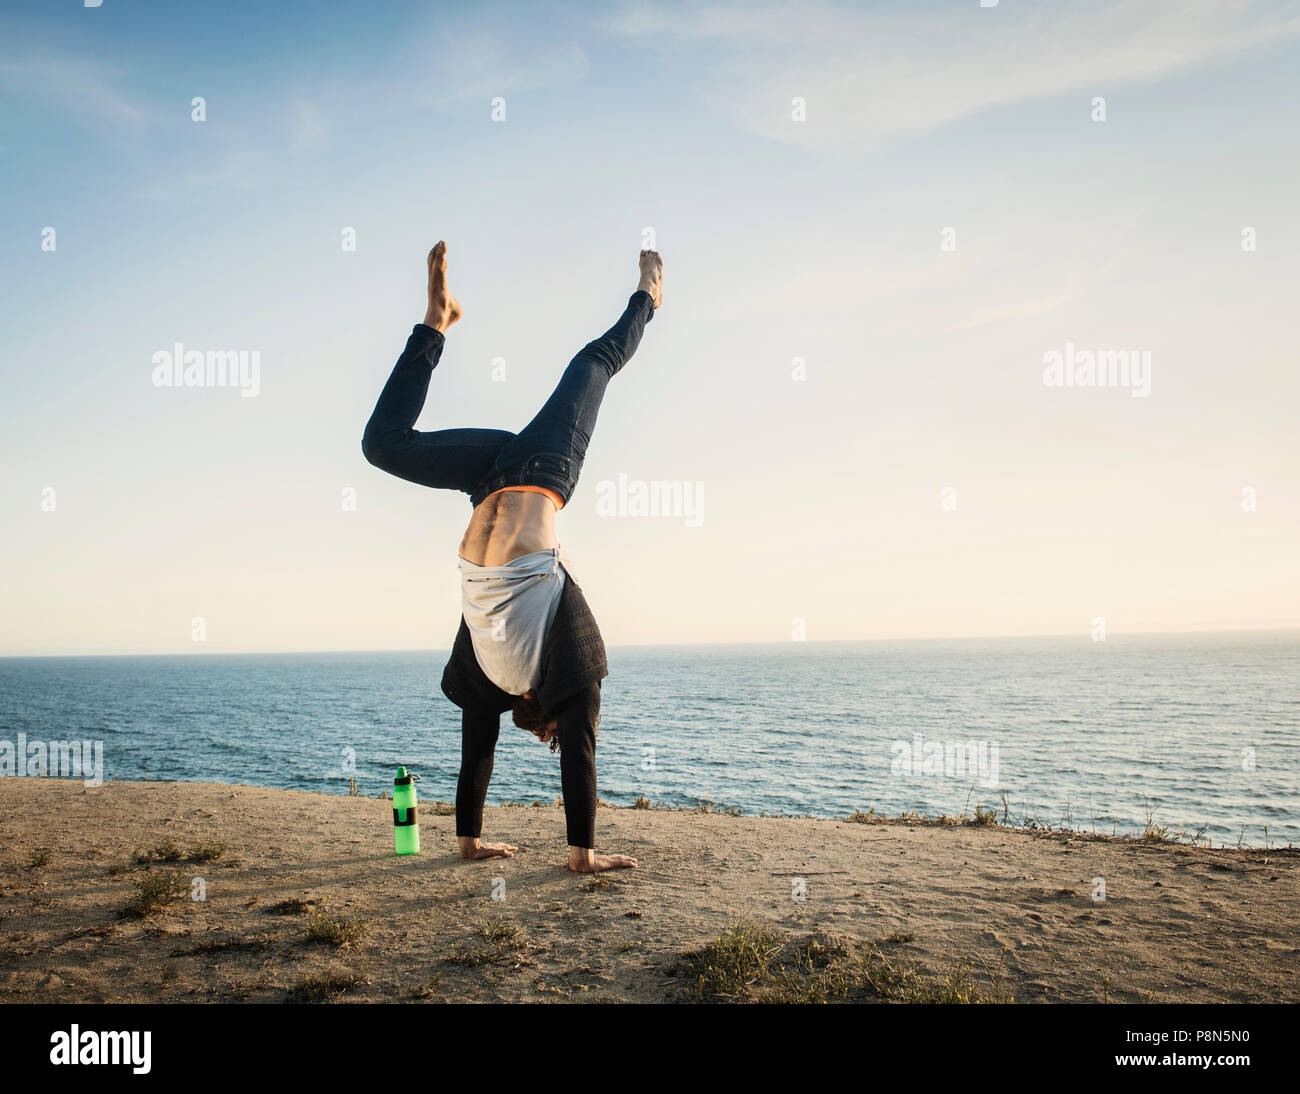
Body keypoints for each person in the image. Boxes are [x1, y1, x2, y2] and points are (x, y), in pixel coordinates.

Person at [362, 241, 663, 872]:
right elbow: (580, 748)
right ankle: (648, 299)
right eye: (553, 730)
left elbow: (478, 747)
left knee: (382, 445)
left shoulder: (495, 672)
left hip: (489, 475)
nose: (555, 735)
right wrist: (583, 855)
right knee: (593, 364)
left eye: (547, 731)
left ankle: (436, 321)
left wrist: (469, 842)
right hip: (546, 470)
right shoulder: (564, 665)